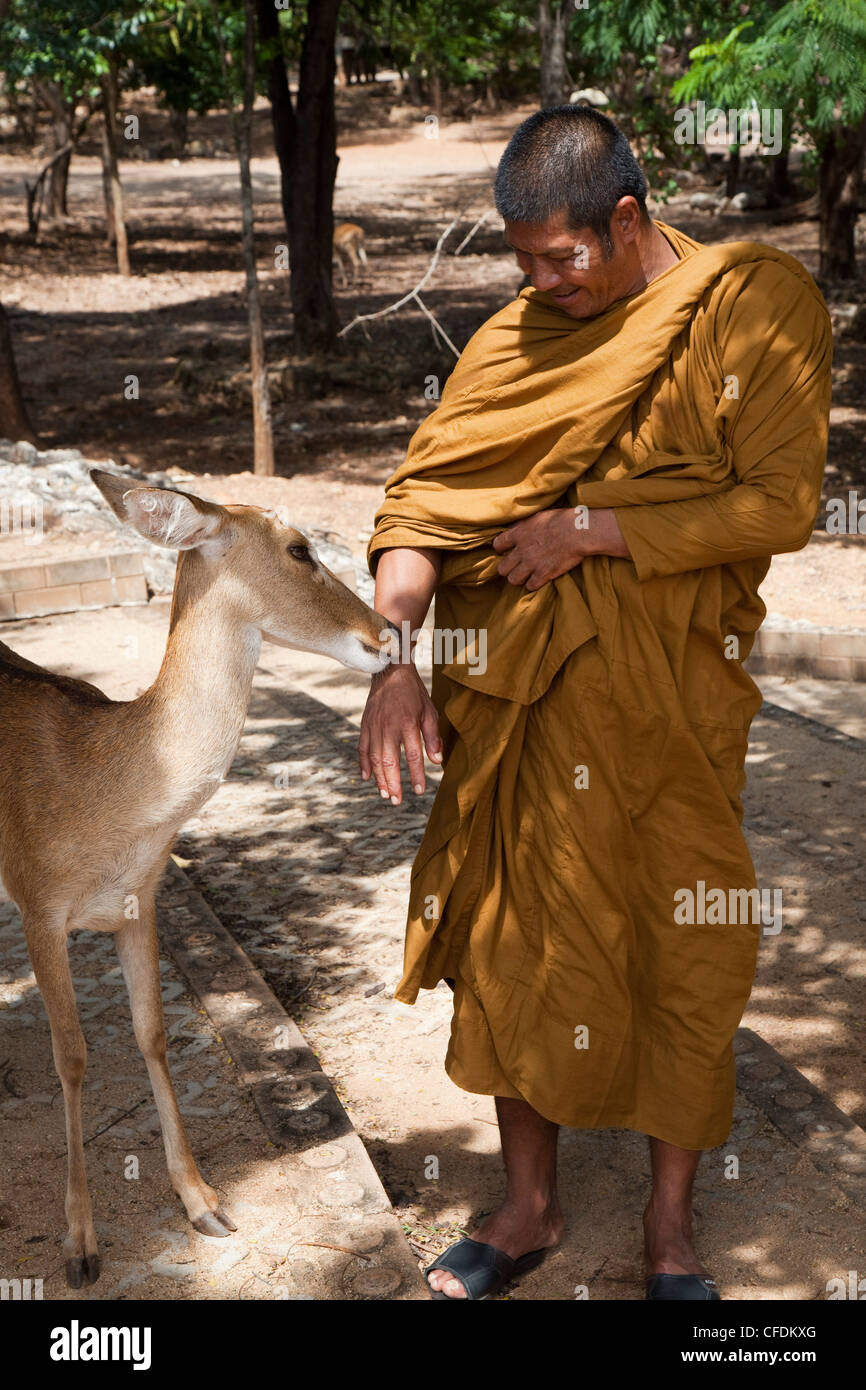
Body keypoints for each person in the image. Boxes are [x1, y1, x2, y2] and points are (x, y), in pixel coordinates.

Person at [358, 105, 832, 1301]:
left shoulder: (750, 307)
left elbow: (776, 506)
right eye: (519, 260)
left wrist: (586, 530)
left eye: (559, 257)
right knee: (515, 940)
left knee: (685, 940)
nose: (537, 283)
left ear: (626, 222)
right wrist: (391, 659)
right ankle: (526, 1209)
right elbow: (419, 507)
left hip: (666, 707)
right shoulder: (519, 339)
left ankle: (670, 1233)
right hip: (518, 704)